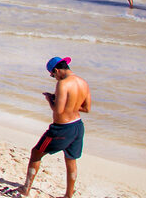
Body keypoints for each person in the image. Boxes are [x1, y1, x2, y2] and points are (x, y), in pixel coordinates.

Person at [18, 57, 92, 198]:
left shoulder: (63, 84)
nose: (54, 78)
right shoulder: (83, 82)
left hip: (61, 129)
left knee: (36, 153)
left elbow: (58, 111)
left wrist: (50, 100)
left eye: (52, 75)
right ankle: (68, 195)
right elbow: (87, 108)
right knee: (71, 160)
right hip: (77, 126)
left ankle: (25, 190)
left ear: (57, 70)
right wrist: (69, 104)